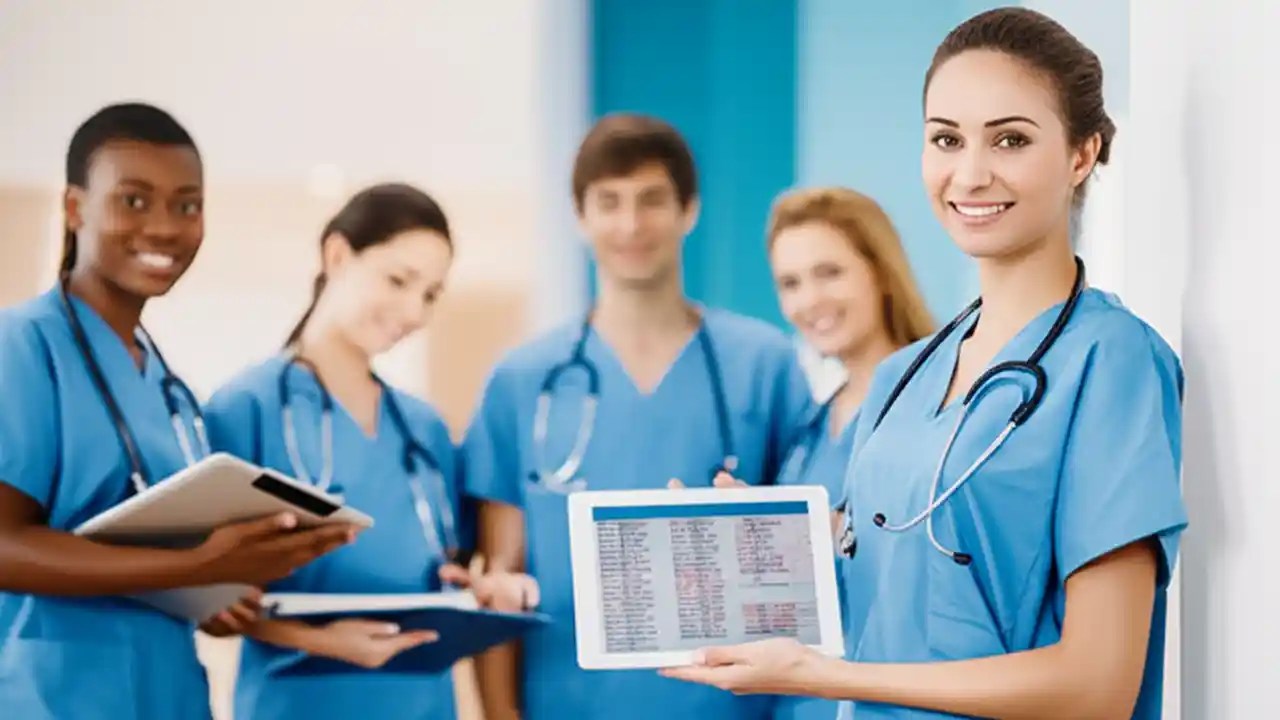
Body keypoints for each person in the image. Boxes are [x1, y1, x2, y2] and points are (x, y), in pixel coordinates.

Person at [663, 8, 1189, 720]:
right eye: (946, 139)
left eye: (1010, 139)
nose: (970, 174)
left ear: (1081, 153)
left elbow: (1098, 684)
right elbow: (889, 574)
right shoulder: (903, 377)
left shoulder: (1111, 362)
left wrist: (830, 678)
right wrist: (757, 538)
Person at [0, 102, 356, 720]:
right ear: (74, 208)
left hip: (170, 694)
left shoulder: (172, 392)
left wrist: (218, 593)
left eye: (187, 205)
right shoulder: (24, 346)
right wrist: (198, 565)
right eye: (134, 201)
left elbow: (174, 571)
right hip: (52, 696)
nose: (165, 227)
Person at [462, 113, 814, 720]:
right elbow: (501, 582)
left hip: (730, 706)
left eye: (652, 200)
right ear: (580, 216)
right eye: (610, 202)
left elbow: (804, 569)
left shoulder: (764, 365)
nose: (630, 225)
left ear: (689, 210)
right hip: (565, 702)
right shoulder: (523, 380)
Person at [202, 183, 537, 720]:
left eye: (430, 294)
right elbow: (204, 590)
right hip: (299, 704)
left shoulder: (423, 430)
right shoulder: (245, 409)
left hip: (420, 704)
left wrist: (488, 587)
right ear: (337, 255)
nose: (413, 310)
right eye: (398, 279)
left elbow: (452, 566)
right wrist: (322, 641)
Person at [766, 187, 933, 720]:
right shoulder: (812, 425)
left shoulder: (936, 399)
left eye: (829, 272)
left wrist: (814, 530)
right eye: (790, 283)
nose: (809, 300)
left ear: (879, 270)